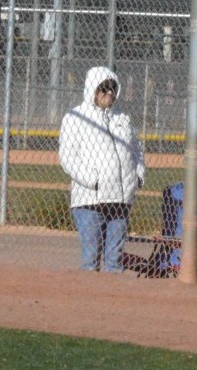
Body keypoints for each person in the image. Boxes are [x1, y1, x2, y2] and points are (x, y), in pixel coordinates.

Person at [58, 66, 145, 272]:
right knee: (92, 258)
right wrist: (92, 180)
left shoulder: (122, 117)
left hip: (120, 199)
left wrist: (138, 175)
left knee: (115, 261)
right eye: (104, 88)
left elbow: (137, 150)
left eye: (113, 88)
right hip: (90, 200)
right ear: (92, 89)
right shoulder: (76, 117)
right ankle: (88, 301)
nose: (109, 93)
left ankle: (113, 301)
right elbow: (67, 157)